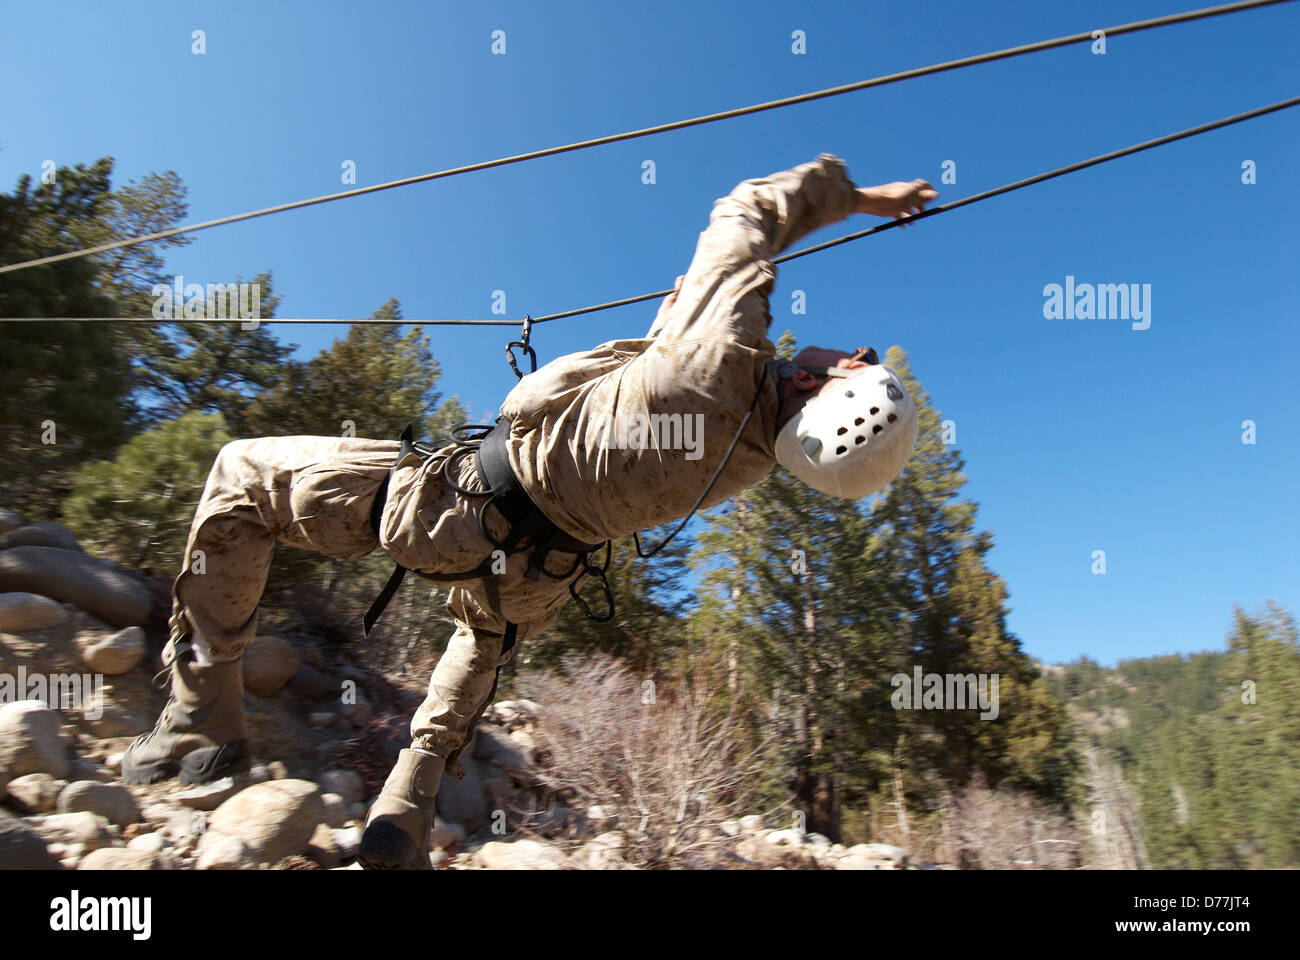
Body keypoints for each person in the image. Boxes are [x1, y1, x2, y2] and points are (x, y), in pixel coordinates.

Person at [120, 153, 935, 869]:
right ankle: (409, 797)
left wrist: (865, 198)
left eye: (856, 365)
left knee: (239, 478)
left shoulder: (722, 357)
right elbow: (653, 408)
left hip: (458, 509)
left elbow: (751, 207)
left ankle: (204, 714)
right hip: (542, 572)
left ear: (810, 388)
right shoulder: (749, 461)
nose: (854, 351)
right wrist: (672, 323)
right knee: (480, 641)